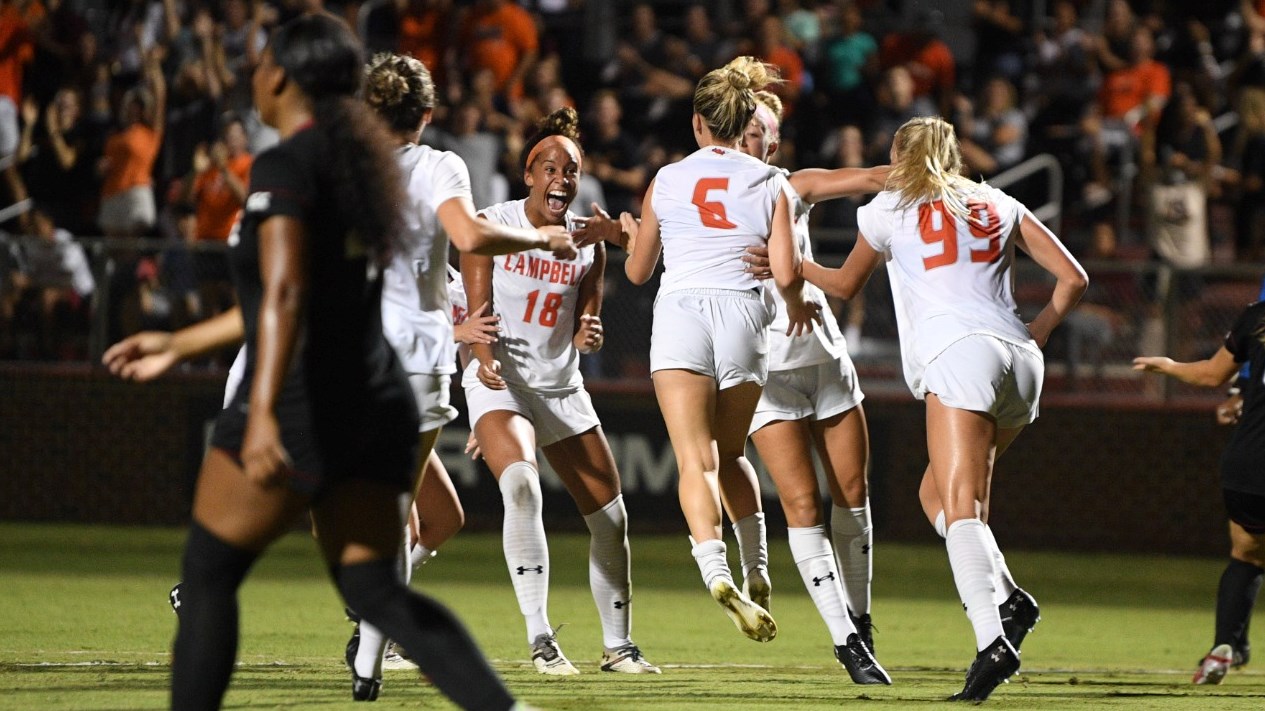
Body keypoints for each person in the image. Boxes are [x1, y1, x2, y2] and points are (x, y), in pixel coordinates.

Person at [101, 14, 525, 710]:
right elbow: (314, 281)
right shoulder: (375, 170)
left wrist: (261, 410)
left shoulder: (293, 164)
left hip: (310, 390)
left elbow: (286, 291)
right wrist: (182, 342)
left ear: (285, 77)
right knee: (375, 586)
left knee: (209, 572)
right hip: (384, 387)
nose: (256, 74)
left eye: (265, 62)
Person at [803, 116, 1088, 701]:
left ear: (900, 156)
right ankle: (1009, 598)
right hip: (1020, 362)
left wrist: (789, 266)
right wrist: (1039, 330)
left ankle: (993, 641)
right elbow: (1073, 278)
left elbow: (844, 286)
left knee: (960, 510)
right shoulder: (996, 199)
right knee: (936, 496)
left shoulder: (889, 208)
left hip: (961, 355)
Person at [345, 50, 578, 696]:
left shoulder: (344, 171)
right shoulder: (439, 164)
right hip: (415, 357)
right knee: (394, 514)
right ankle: (368, 656)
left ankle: (365, 643)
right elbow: (470, 236)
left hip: (354, 357)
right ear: (425, 113)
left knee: (422, 515)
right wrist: (541, 240)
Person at [610, 56, 818, 647]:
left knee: (694, 461)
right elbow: (784, 270)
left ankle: (717, 573)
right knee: (730, 454)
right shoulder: (770, 180)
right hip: (743, 317)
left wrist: (630, 232)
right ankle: (757, 567)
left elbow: (638, 270)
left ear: (700, 123)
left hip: (682, 314)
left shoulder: (667, 179)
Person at [461, 106, 661, 676]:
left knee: (613, 519)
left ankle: (618, 646)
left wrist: (589, 330)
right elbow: (476, 311)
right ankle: (541, 637)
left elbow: (588, 318)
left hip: (560, 386)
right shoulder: (490, 224)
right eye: (549, 167)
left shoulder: (588, 241)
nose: (561, 178)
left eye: (570, 169)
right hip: (503, 379)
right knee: (522, 485)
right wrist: (481, 364)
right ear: (528, 175)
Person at [736, 89, 891, 683]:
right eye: (748, 130)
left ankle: (862, 619)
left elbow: (865, 177)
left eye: (765, 132)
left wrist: (922, 171)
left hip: (823, 358)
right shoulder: (707, 195)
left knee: (853, 491)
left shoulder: (789, 185)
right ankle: (845, 641)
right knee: (802, 504)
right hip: (766, 371)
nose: (758, 140)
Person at [1134, 296, 1265, 686]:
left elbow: (1212, 375)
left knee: (1246, 554)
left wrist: (1169, 366)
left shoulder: (1256, 318)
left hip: (1249, 464)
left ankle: (1224, 648)